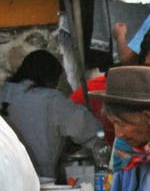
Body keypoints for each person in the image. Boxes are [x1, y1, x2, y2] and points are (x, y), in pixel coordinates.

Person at [0, 50, 101, 179]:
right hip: (39, 180)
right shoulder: (50, 100)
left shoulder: (4, 93)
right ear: (50, 79)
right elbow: (89, 129)